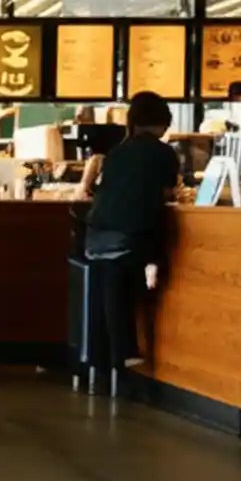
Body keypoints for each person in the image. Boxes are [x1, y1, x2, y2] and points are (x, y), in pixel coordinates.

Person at [84, 92, 180, 393]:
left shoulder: (117, 152)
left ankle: (101, 369)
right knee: (126, 279)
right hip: (129, 241)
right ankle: (123, 354)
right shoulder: (163, 153)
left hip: (95, 237)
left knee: (104, 291)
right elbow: (166, 195)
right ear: (162, 122)